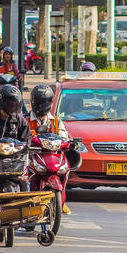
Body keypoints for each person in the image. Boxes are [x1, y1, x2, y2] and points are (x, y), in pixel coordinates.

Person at [28, 83, 71, 215]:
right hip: (31, 157)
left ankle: (61, 199)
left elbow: (64, 135)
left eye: (45, 102)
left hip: (52, 156)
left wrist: (68, 142)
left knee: (66, 169)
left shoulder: (56, 121)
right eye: (40, 102)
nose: (42, 105)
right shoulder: (25, 119)